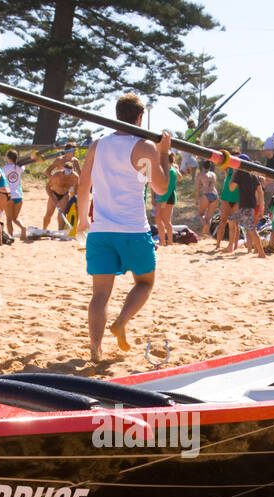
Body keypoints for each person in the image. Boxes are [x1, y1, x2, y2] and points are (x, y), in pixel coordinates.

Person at [76, 93, 171, 362]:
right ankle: (121, 321)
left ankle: (95, 348)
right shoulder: (144, 147)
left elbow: (84, 186)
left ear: (117, 114)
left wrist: (83, 219)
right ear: (140, 117)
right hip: (132, 230)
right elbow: (161, 188)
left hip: (101, 231)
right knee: (145, 282)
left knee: (100, 295)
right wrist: (163, 153)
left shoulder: (97, 146)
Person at [227, 157, 266, 257]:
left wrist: (233, 174)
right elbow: (260, 192)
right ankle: (230, 247)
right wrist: (261, 207)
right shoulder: (253, 175)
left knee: (251, 230)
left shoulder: (239, 173)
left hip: (246, 206)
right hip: (249, 206)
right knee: (232, 221)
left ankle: (261, 253)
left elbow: (231, 188)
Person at [43, 154, 79, 229]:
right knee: (49, 214)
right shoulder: (57, 175)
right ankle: (44, 229)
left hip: (65, 195)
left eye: (69, 171)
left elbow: (76, 188)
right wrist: (52, 197)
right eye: (66, 171)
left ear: (72, 171)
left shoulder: (75, 177)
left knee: (62, 214)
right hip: (54, 194)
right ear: (63, 169)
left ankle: (60, 232)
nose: (67, 173)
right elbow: (47, 187)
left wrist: (74, 198)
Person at [0, 149, 27, 239]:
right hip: (19, 195)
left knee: (9, 219)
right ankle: (23, 228)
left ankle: (11, 236)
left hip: (9, 195)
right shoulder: (20, 167)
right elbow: (23, 167)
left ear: (8, 158)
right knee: (15, 218)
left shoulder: (4, 169)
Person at [152, 151, 177, 246]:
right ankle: (163, 240)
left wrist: (164, 200)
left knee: (166, 220)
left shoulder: (171, 171)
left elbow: (170, 188)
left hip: (167, 197)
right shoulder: (169, 169)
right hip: (164, 196)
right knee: (158, 219)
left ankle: (169, 241)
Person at [212, 163, 240, 248]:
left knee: (236, 224)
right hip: (226, 198)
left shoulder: (242, 170)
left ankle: (235, 246)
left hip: (237, 199)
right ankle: (218, 245)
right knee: (222, 222)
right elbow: (220, 163)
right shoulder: (229, 168)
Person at [195, 160, 218, 226]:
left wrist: (196, 200)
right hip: (215, 195)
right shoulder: (214, 174)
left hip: (206, 194)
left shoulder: (200, 174)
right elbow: (215, 185)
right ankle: (205, 233)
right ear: (210, 167)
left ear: (202, 167)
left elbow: (197, 189)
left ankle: (204, 227)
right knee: (208, 218)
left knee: (200, 214)